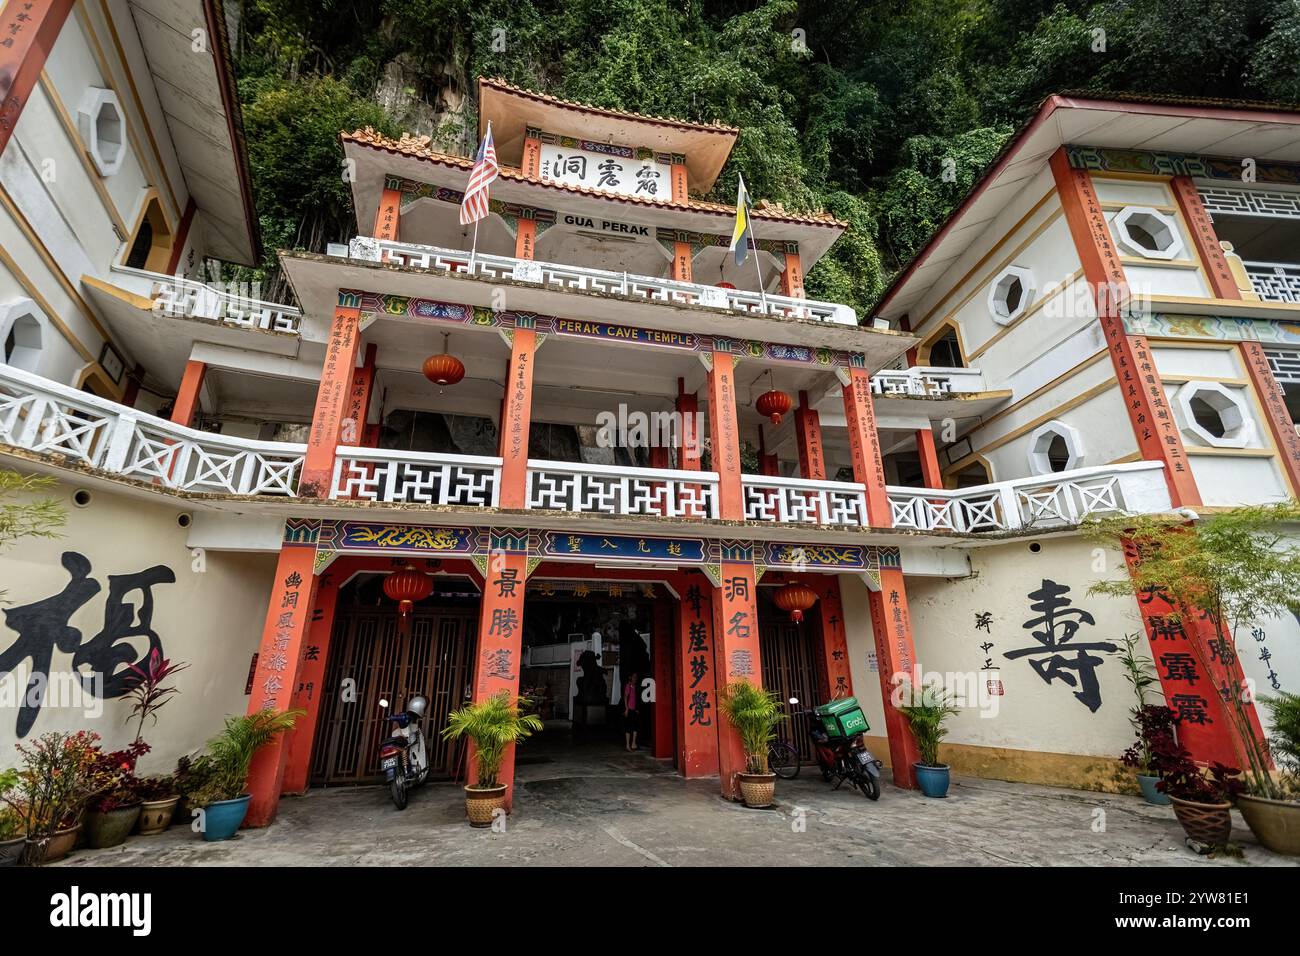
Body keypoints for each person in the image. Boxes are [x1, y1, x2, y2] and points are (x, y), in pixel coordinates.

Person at [623, 671, 640, 752]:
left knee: (635, 728)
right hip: (629, 709)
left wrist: (636, 709)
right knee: (628, 728)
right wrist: (626, 709)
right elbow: (625, 697)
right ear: (630, 677)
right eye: (634, 677)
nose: (635, 678)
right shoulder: (628, 686)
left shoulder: (635, 687)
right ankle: (627, 745)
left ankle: (633, 744)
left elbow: (635, 699)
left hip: (634, 710)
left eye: (636, 677)